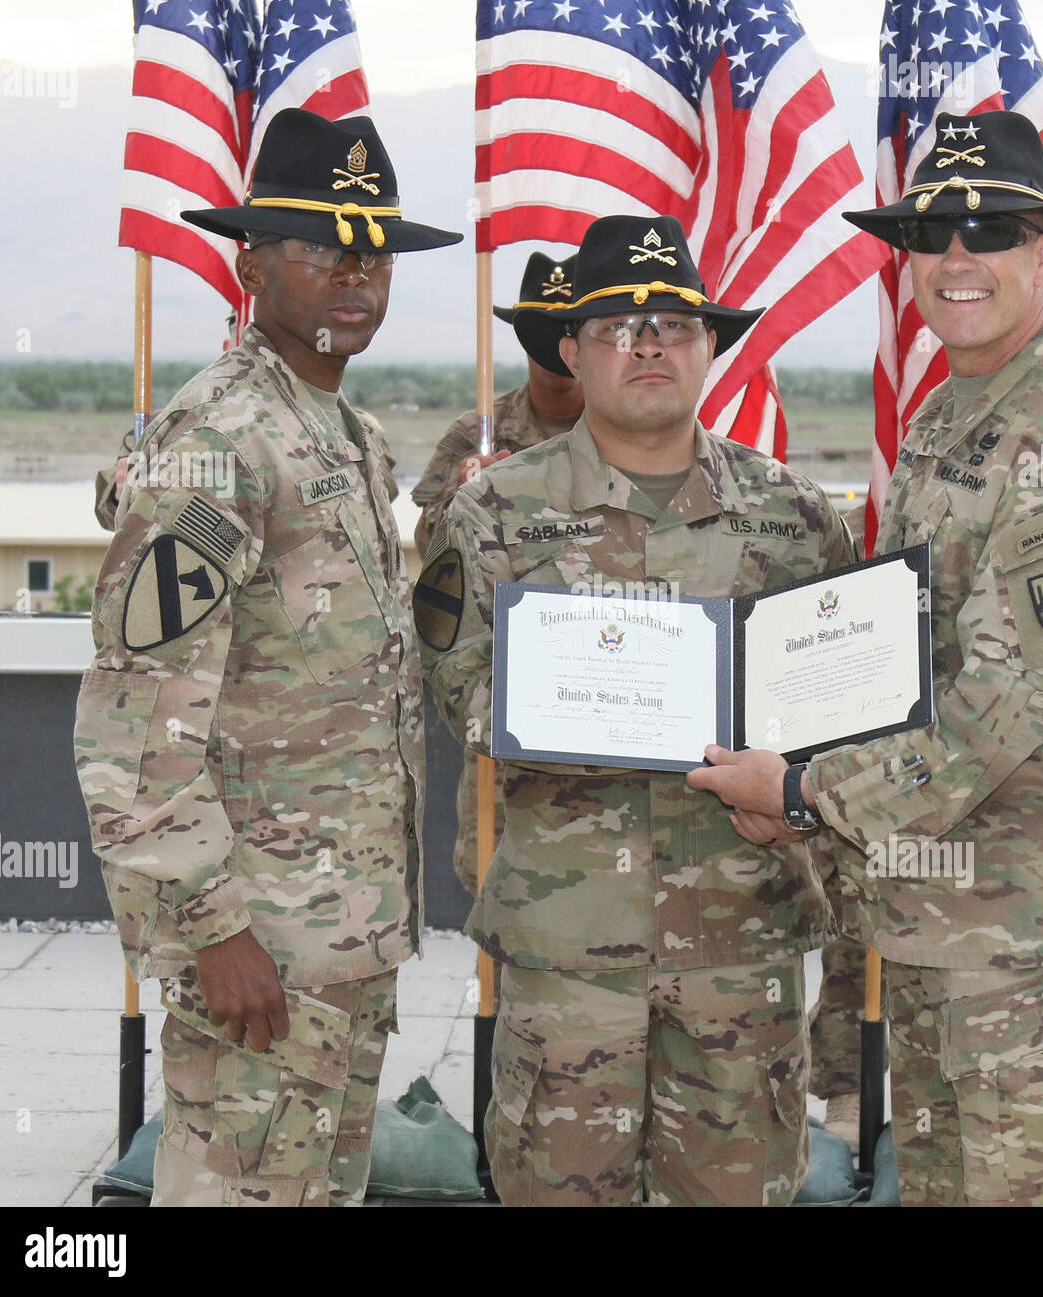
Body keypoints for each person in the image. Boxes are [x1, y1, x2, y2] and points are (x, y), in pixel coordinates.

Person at [688, 110, 1043, 1207]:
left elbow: (1001, 703)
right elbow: (899, 656)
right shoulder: (952, 420)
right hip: (936, 918)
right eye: (931, 234)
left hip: (1025, 931)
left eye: (993, 230)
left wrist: (810, 790)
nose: (958, 258)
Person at [414, 214, 857, 1206]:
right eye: (617, 324)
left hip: (739, 952)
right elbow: (456, 688)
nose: (647, 343)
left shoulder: (791, 518)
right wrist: (605, 705)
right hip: (570, 952)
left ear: (709, 347)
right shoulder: (491, 513)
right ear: (570, 347)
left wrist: (798, 779)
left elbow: (846, 712)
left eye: (673, 324)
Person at [73, 108, 461, 1207]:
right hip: (262, 947)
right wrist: (211, 930)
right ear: (248, 259)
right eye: (319, 241)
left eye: (371, 244)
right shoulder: (222, 441)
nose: (354, 267)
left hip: (342, 941)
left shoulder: (345, 431)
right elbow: (133, 719)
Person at [411, 251, 583, 895]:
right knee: (496, 865)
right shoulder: (478, 434)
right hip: (509, 678)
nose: (555, 354)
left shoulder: (621, 429)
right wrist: (461, 498)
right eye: (541, 335)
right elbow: (432, 556)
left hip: (604, 667)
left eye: (567, 333)